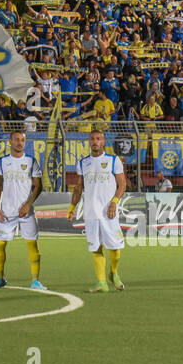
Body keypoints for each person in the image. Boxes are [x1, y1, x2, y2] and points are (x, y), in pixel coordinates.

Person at [67, 125, 126, 292]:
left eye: (98, 139)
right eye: (92, 139)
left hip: (109, 212)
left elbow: (122, 184)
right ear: (89, 142)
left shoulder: (114, 160)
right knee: (96, 247)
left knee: (115, 246)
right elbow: (79, 188)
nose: (95, 142)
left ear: (103, 141)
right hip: (91, 212)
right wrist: (72, 207)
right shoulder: (83, 163)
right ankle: (101, 283)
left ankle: (113, 274)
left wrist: (114, 202)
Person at [0, 128, 46, 290]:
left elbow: (38, 186)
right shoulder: (1, 162)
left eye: (22, 140)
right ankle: (0, 278)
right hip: (7, 212)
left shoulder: (31, 161)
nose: (19, 143)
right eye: (16, 139)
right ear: (10, 142)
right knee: (0, 245)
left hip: (26, 212)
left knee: (32, 245)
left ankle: (35, 280)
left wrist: (28, 204)